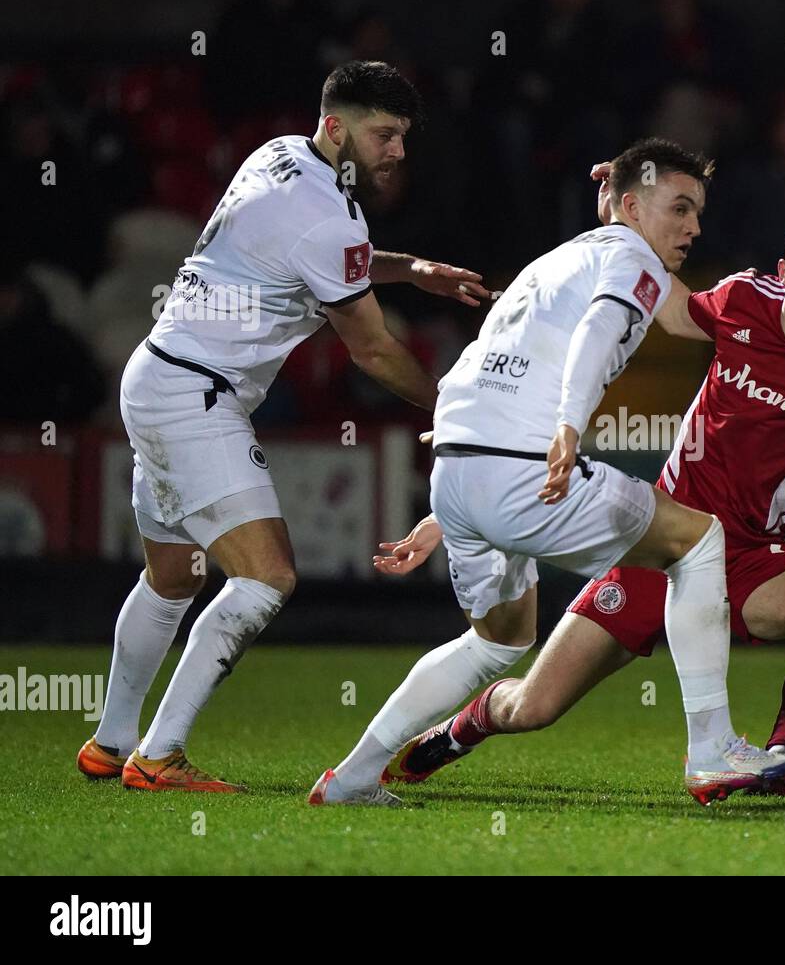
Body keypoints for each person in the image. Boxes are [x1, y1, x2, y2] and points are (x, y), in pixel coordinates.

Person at [370, 209, 785, 803]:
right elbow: (662, 304)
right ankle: (462, 730)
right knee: (533, 708)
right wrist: (627, 218)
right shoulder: (739, 301)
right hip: (661, 541)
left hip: (749, 554)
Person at [310, 139, 785, 808]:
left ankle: (349, 777)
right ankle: (712, 749)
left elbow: (678, 319)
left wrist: (450, 506)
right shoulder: (632, 257)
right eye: (680, 208)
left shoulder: (563, 259)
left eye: (698, 212)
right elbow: (600, 329)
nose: (693, 226)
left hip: (460, 471)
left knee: (498, 642)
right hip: (526, 467)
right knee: (699, 540)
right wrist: (569, 428)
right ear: (633, 206)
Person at [77, 61, 492, 792]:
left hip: (157, 374)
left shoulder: (278, 155)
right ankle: (160, 754)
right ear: (338, 128)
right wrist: (451, 408)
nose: (398, 150)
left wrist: (413, 269)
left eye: (402, 136)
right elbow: (370, 347)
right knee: (267, 577)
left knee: (172, 577)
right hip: (195, 395)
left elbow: (323, 258)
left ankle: (111, 741)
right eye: (385, 134)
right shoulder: (327, 218)